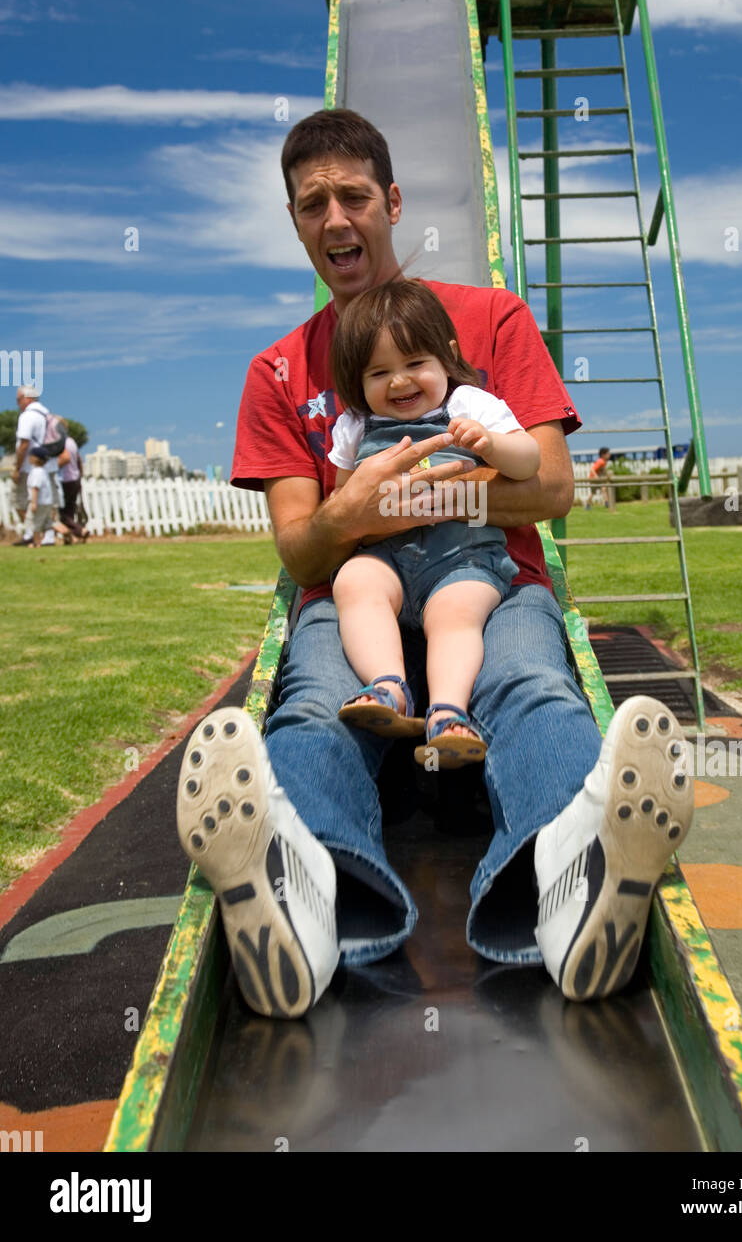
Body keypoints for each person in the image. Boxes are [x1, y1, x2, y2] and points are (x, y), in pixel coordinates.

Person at [176, 109, 694, 1019]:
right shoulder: (276, 373)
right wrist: (353, 510)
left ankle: (571, 879)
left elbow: (553, 486)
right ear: (295, 223)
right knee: (311, 703)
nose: (336, 219)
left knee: (534, 681)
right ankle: (303, 894)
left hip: (484, 581)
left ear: (393, 203)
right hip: (358, 590)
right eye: (312, 204)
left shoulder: (490, 320)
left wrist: (420, 499)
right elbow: (300, 546)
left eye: (355, 196)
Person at [328, 278, 540, 767]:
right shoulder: (355, 425)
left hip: (460, 559)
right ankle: (387, 687)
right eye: (379, 372)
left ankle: (448, 712)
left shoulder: (468, 406)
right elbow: (343, 501)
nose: (399, 382)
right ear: (357, 381)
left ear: (446, 356)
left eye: (415, 364)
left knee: (454, 616)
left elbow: (529, 462)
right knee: (355, 582)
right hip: (386, 557)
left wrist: (489, 443)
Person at [11, 386, 60, 546]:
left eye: (18, 399)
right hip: (50, 466)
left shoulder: (27, 416)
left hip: (29, 467)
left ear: (27, 398)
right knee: (48, 505)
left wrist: (17, 468)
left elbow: (24, 443)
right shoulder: (48, 415)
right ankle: (48, 537)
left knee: (20, 502)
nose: (17, 403)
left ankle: (30, 534)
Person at [24, 448, 68, 547]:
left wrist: (33, 502)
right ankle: (67, 533)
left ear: (35, 458)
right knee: (48, 522)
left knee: (35, 523)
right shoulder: (44, 471)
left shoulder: (36, 472)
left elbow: (35, 488)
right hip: (47, 502)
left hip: (39, 502)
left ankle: (36, 543)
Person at [57, 429, 89, 543]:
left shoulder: (59, 443)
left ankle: (80, 531)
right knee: (70, 511)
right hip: (75, 479)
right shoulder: (71, 441)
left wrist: (50, 468)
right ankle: (72, 538)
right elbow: (78, 460)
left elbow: (65, 458)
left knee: (61, 513)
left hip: (64, 480)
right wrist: (80, 475)